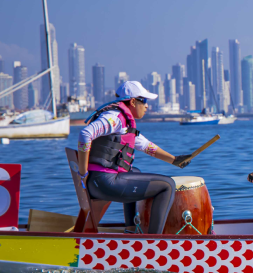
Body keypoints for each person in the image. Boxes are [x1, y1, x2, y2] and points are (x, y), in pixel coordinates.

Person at [78, 81, 190, 234]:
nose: (146, 106)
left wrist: (174, 160)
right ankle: (153, 241)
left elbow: (146, 146)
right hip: (104, 183)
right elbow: (85, 134)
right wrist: (83, 172)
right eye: (144, 101)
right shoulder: (115, 118)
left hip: (100, 182)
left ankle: (131, 231)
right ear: (132, 102)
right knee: (168, 185)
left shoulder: (124, 122)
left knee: (134, 172)